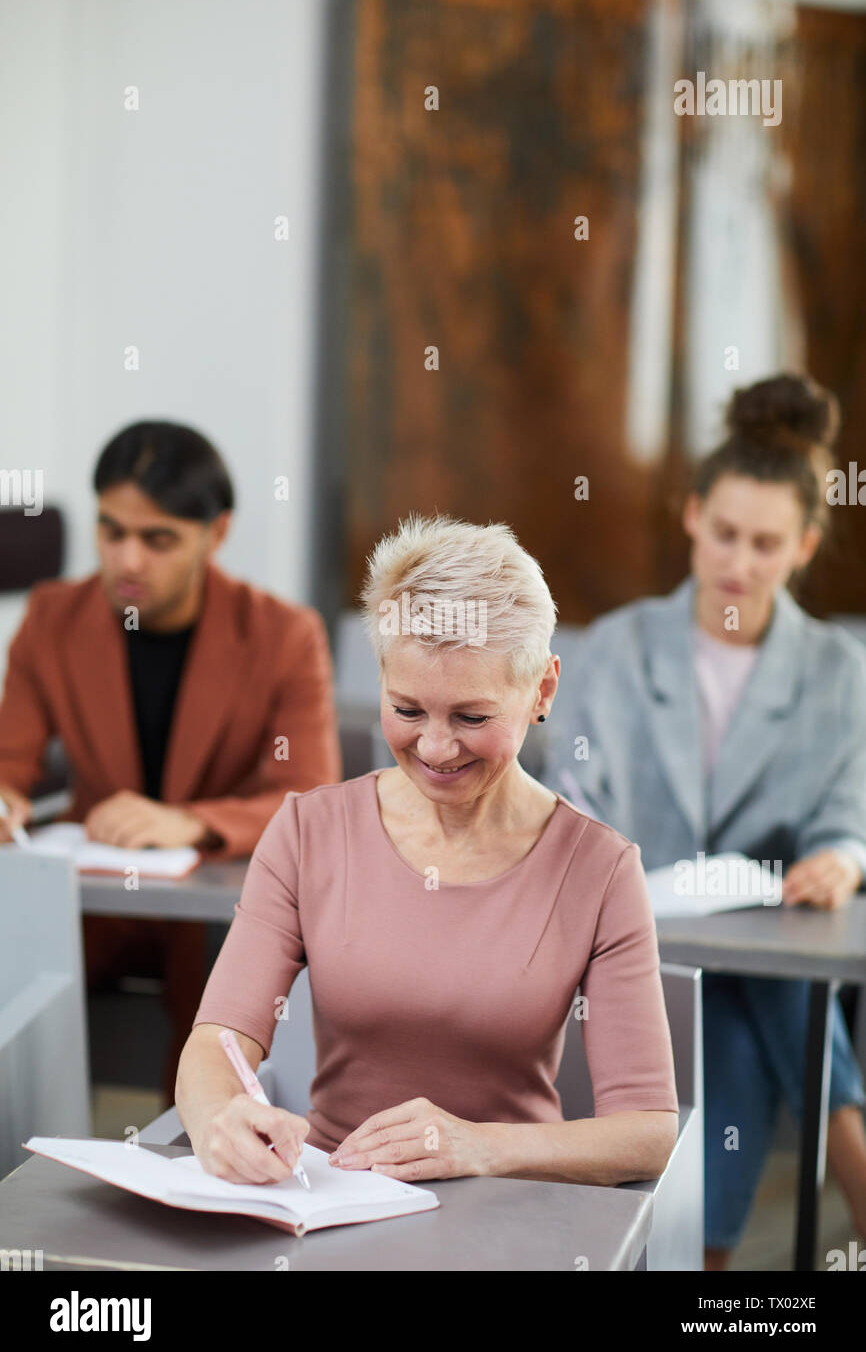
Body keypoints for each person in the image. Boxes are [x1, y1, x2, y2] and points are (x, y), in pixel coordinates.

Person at [176, 513, 679, 1189]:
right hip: (332, 1200)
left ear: (543, 692)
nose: (437, 749)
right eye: (407, 710)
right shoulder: (308, 832)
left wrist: (482, 1149)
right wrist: (222, 1120)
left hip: (513, 1210)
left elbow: (647, 1130)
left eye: (472, 717)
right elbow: (217, 1042)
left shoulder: (601, 870)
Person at [542, 373, 866, 1268]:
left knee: (752, 991)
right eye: (725, 533)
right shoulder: (611, 649)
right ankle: (849, 1156)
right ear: (690, 516)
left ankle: (699, 1264)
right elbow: (573, 805)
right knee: (762, 995)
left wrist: (840, 859)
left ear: (804, 544)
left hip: (756, 952)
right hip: (633, 943)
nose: (741, 562)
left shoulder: (839, 669)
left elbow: (846, 817)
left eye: (768, 543)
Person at [0, 420, 341, 1098]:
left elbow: (309, 795)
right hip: (91, 896)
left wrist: (191, 822)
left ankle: (190, 1169)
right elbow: (10, 762)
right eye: (111, 531)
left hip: (221, 904)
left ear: (215, 536)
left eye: (158, 539)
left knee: (214, 1025)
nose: (127, 559)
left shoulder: (282, 635)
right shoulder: (52, 616)